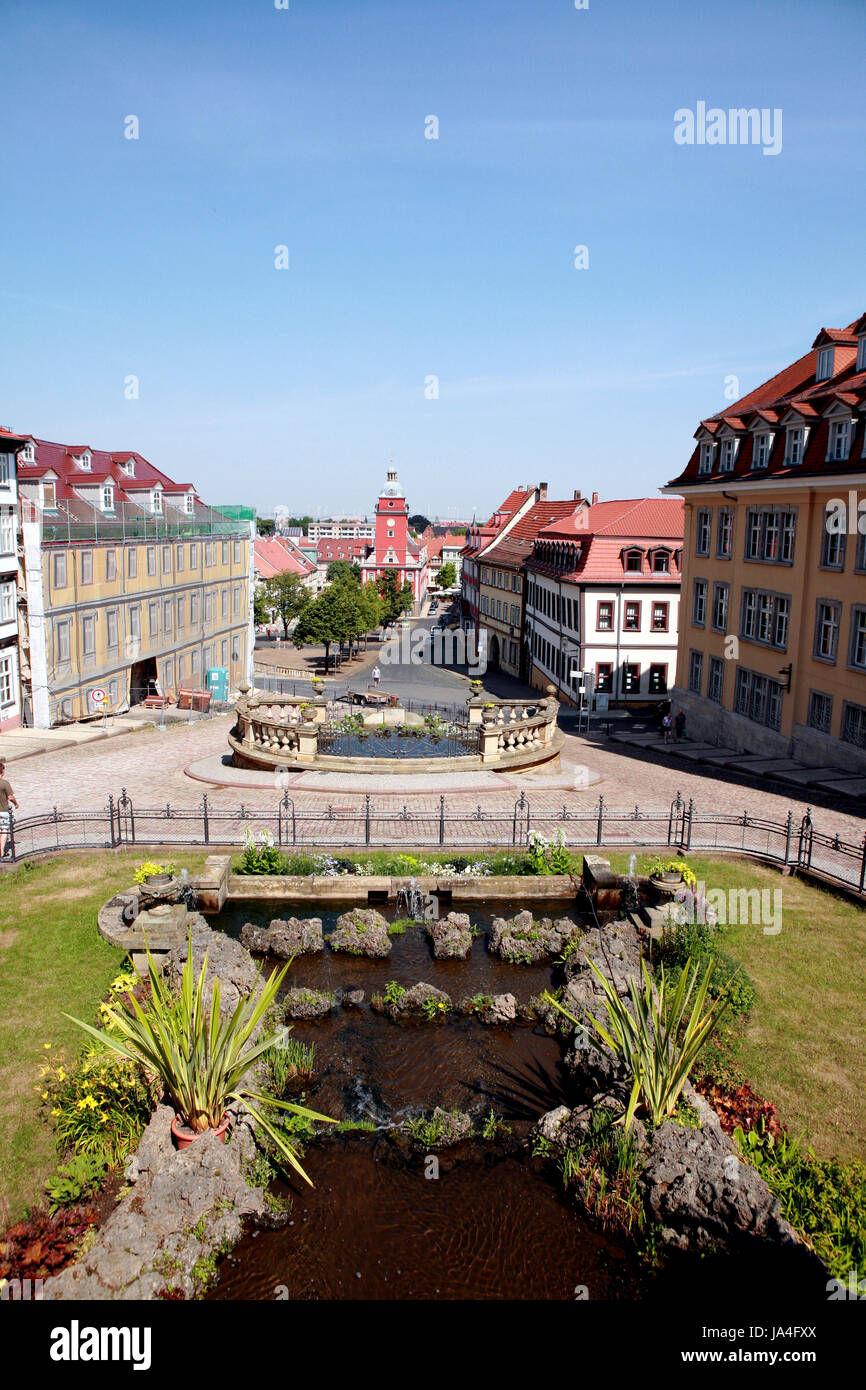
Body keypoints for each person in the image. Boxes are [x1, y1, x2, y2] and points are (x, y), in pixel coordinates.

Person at [0, 759, 19, 857]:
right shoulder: (4, 783)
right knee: (4, 831)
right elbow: (10, 797)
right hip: (3, 811)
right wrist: (16, 803)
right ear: (2, 771)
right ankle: (1, 851)